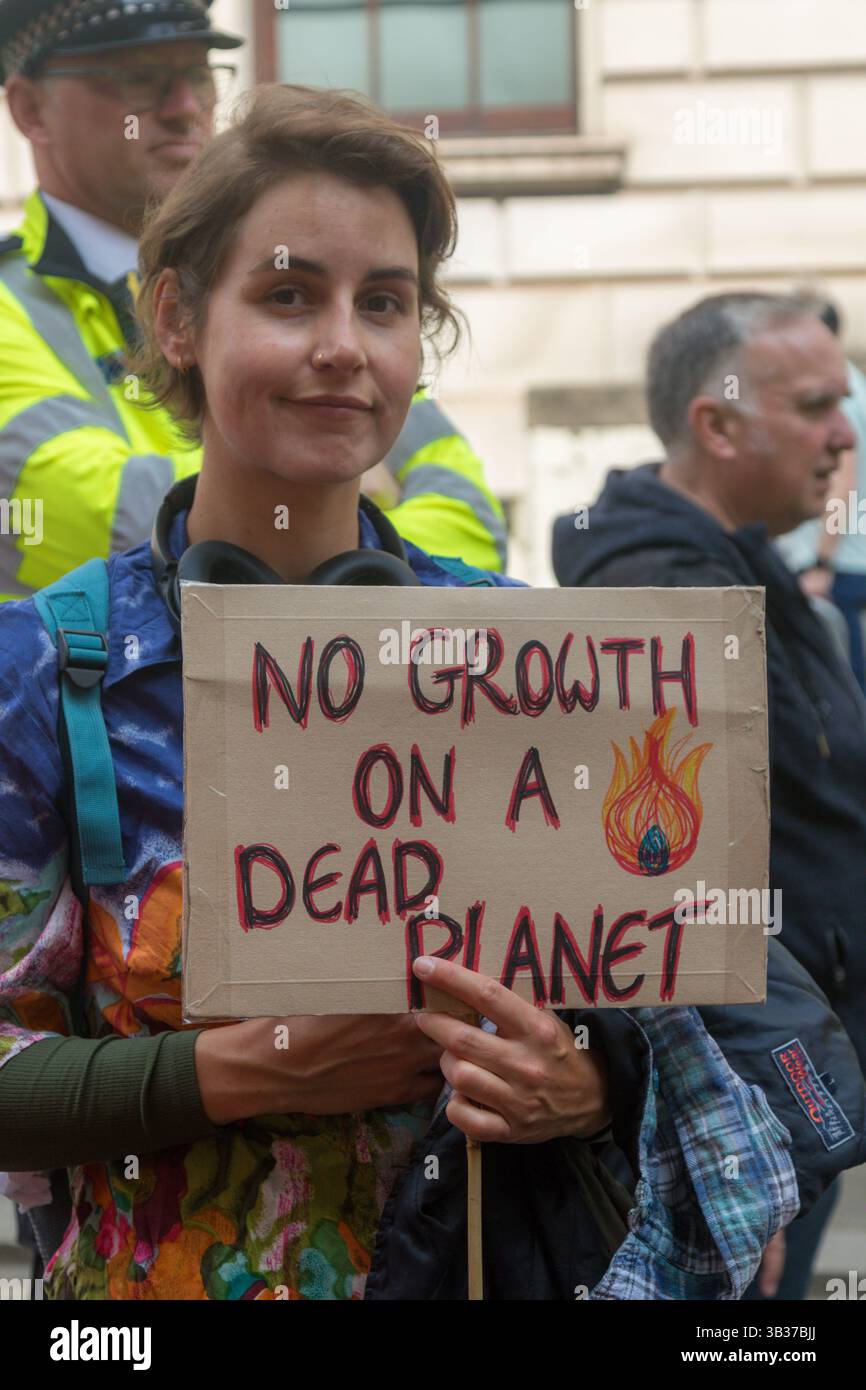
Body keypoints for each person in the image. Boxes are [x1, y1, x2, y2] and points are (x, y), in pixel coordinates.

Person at [0, 85, 798, 1301]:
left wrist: (580, 1084)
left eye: (383, 302)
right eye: (285, 294)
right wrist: (242, 1070)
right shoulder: (45, 673)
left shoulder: (535, 652)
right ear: (174, 317)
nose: (342, 344)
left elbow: (699, 1030)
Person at [552, 290, 866, 1299]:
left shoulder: (749, 574)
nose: (844, 433)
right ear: (717, 423)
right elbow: (661, 889)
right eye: (818, 403)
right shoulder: (657, 602)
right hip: (755, 1107)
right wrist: (735, 1145)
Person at [0, 0, 507, 604]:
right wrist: (351, 509)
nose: (185, 107)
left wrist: (352, 562)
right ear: (31, 109)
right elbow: (104, 519)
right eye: (139, 79)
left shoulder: (335, 295)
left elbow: (471, 517)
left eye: (198, 76)